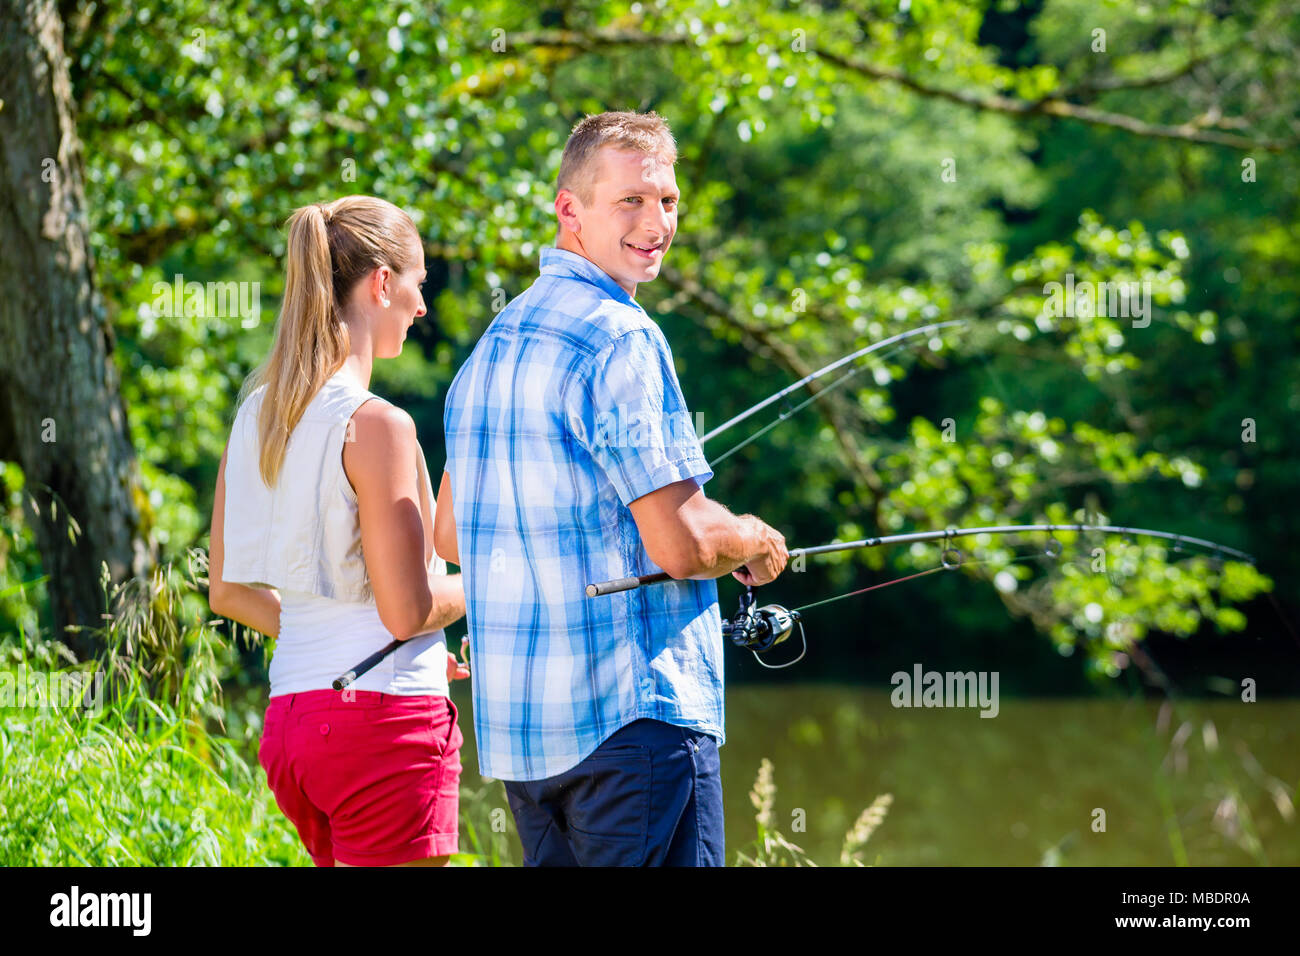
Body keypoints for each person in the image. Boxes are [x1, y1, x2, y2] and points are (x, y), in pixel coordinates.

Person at [434, 111, 789, 866]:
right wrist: (752, 537)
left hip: (530, 746)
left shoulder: (492, 349)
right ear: (570, 210)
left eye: (667, 201)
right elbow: (685, 546)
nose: (655, 223)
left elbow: (451, 535)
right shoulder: (620, 336)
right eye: (630, 200)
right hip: (631, 730)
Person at [208, 195, 469, 867]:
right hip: (383, 730)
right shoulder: (378, 424)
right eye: (417, 284)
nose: (421, 307)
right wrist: (488, 585)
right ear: (382, 283)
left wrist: (362, 647)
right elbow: (407, 609)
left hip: (293, 726)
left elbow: (228, 592)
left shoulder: (257, 417)